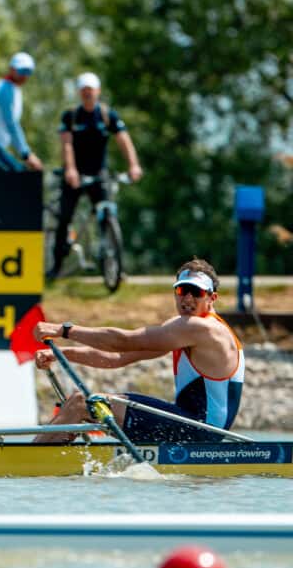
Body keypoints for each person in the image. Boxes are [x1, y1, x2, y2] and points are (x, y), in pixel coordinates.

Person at [33, 258, 244, 444]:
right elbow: (116, 357)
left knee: (81, 403)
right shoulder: (190, 330)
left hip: (197, 432)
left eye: (196, 292)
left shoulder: (202, 329)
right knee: (79, 402)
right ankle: (47, 457)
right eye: (182, 290)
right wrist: (61, 355)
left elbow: (122, 342)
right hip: (193, 428)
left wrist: (64, 330)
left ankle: (30, 462)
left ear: (212, 298)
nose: (187, 299)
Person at [48, 71, 144, 279]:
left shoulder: (108, 115)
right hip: (74, 173)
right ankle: (56, 266)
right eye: (83, 90)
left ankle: (114, 266)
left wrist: (133, 165)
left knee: (107, 215)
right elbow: (67, 145)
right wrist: (71, 170)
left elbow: (123, 140)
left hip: (98, 173)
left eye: (90, 90)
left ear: (98, 91)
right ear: (79, 93)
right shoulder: (71, 116)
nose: (87, 94)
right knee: (65, 217)